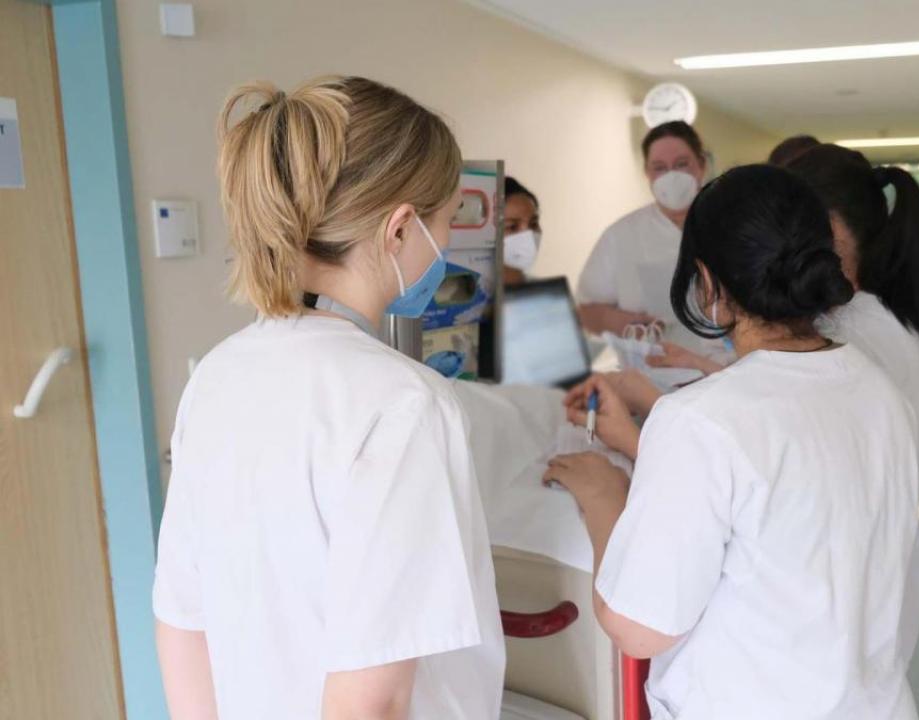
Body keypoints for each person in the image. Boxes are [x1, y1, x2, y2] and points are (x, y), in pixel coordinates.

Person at [152, 77, 504, 720]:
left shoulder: (217, 376)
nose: (449, 243)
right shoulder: (402, 405)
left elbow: (182, 624)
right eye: (448, 219)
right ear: (400, 229)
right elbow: (371, 701)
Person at [546, 164, 919, 719]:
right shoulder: (880, 390)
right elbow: (785, 490)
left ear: (708, 283)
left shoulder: (701, 422)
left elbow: (639, 629)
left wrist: (606, 496)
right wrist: (655, 409)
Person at [785, 143, 919, 662]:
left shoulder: (843, 336)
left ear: (833, 232)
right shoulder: (898, 321)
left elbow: (777, 472)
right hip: (875, 586)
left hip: (837, 601)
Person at [577, 121, 709, 336]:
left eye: (681, 164)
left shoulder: (733, 224)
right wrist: (629, 324)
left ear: (701, 165)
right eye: (659, 167)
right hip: (650, 366)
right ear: (647, 172)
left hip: (730, 365)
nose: (671, 176)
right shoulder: (620, 235)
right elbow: (587, 312)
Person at [502, 175, 541, 286]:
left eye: (533, 224)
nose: (528, 235)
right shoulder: (464, 297)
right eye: (512, 226)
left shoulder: (548, 295)